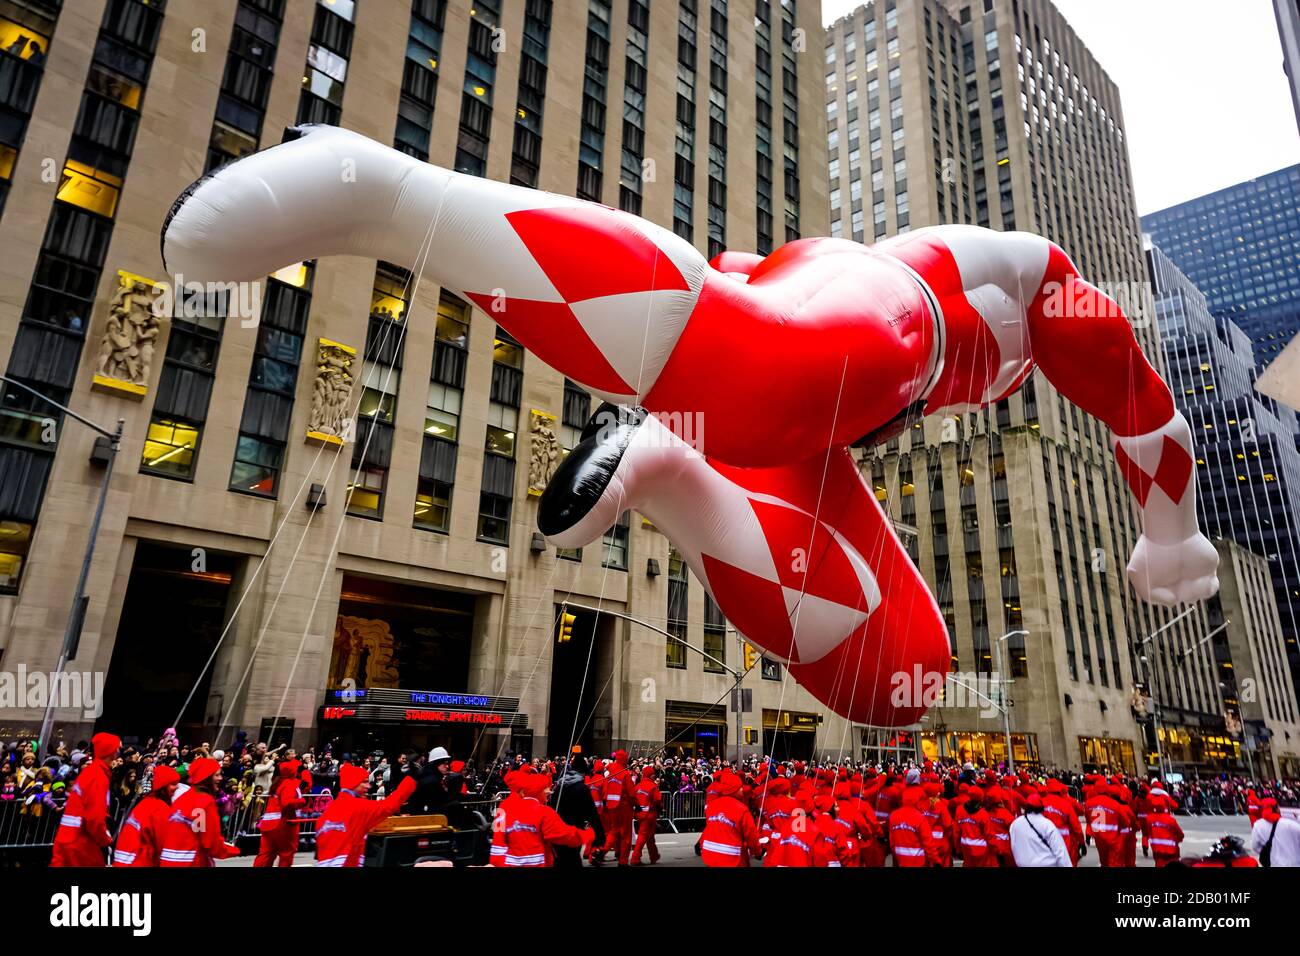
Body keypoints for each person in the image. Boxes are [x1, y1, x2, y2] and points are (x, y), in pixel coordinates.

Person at [315, 763, 417, 867]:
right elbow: (388, 806)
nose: (368, 786)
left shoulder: (329, 811)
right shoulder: (357, 806)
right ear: (353, 784)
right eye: (364, 782)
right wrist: (410, 781)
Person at [492, 770, 594, 867]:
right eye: (545, 788)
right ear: (537, 791)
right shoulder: (543, 811)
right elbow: (563, 834)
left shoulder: (503, 807)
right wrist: (586, 835)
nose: (549, 791)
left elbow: (498, 841)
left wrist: (497, 863)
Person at [50, 732, 119, 868]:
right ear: (112, 752)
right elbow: (94, 818)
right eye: (117, 749)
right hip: (81, 842)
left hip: (67, 838)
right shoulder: (98, 777)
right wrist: (106, 840)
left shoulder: (90, 772)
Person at [159, 757, 241, 866]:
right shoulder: (205, 802)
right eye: (216, 775)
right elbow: (210, 844)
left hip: (170, 861)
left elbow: (197, 832)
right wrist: (236, 850)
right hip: (191, 862)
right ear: (206, 778)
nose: (220, 778)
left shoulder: (184, 798)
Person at [113, 765, 181, 867]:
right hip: (138, 861)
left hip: (125, 860)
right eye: (173, 784)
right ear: (163, 786)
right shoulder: (160, 809)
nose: (177, 787)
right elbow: (164, 846)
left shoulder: (147, 802)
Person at [548, 756, 605, 869]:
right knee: (572, 860)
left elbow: (551, 807)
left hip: (557, 831)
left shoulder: (558, 786)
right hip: (573, 832)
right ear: (583, 772)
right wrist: (599, 835)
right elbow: (591, 812)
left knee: (559, 860)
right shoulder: (582, 788)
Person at [699, 770, 763, 867]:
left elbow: (709, 829)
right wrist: (757, 851)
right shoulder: (741, 809)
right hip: (732, 858)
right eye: (739, 787)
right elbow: (751, 835)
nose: (742, 789)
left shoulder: (712, 806)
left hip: (710, 856)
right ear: (733, 790)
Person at [254, 759, 306, 867]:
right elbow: (286, 802)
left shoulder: (277, 782)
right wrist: (302, 801)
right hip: (284, 824)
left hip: (269, 824)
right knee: (286, 854)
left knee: (266, 854)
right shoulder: (290, 783)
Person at [1009, 793, 1072, 867]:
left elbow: (1013, 846)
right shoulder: (1047, 825)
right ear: (1042, 809)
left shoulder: (1015, 824)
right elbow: (1060, 852)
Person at [888, 786, 944, 867]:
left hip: (900, 859)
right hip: (918, 861)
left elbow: (892, 842)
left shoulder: (893, 816)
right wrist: (936, 861)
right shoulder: (920, 817)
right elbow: (928, 843)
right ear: (917, 800)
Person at [1251, 798, 1300, 867]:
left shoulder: (1258, 826)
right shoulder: (1292, 824)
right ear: (1276, 808)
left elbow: (1255, 847)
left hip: (1275, 863)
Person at [631, 763, 662, 865]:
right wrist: (661, 809)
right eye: (653, 774)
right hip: (649, 814)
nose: (654, 775)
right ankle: (635, 858)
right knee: (643, 836)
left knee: (650, 837)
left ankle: (654, 856)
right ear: (650, 775)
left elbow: (633, 799)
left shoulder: (638, 786)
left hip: (640, 814)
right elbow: (658, 800)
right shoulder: (653, 786)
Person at [1145, 800, 1185, 867]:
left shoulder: (1149, 818)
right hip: (1171, 849)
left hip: (1156, 848)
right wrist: (1178, 840)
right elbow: (1180, 834)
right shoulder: (1170, 819)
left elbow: (1148, 832)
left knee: (1159, 864)